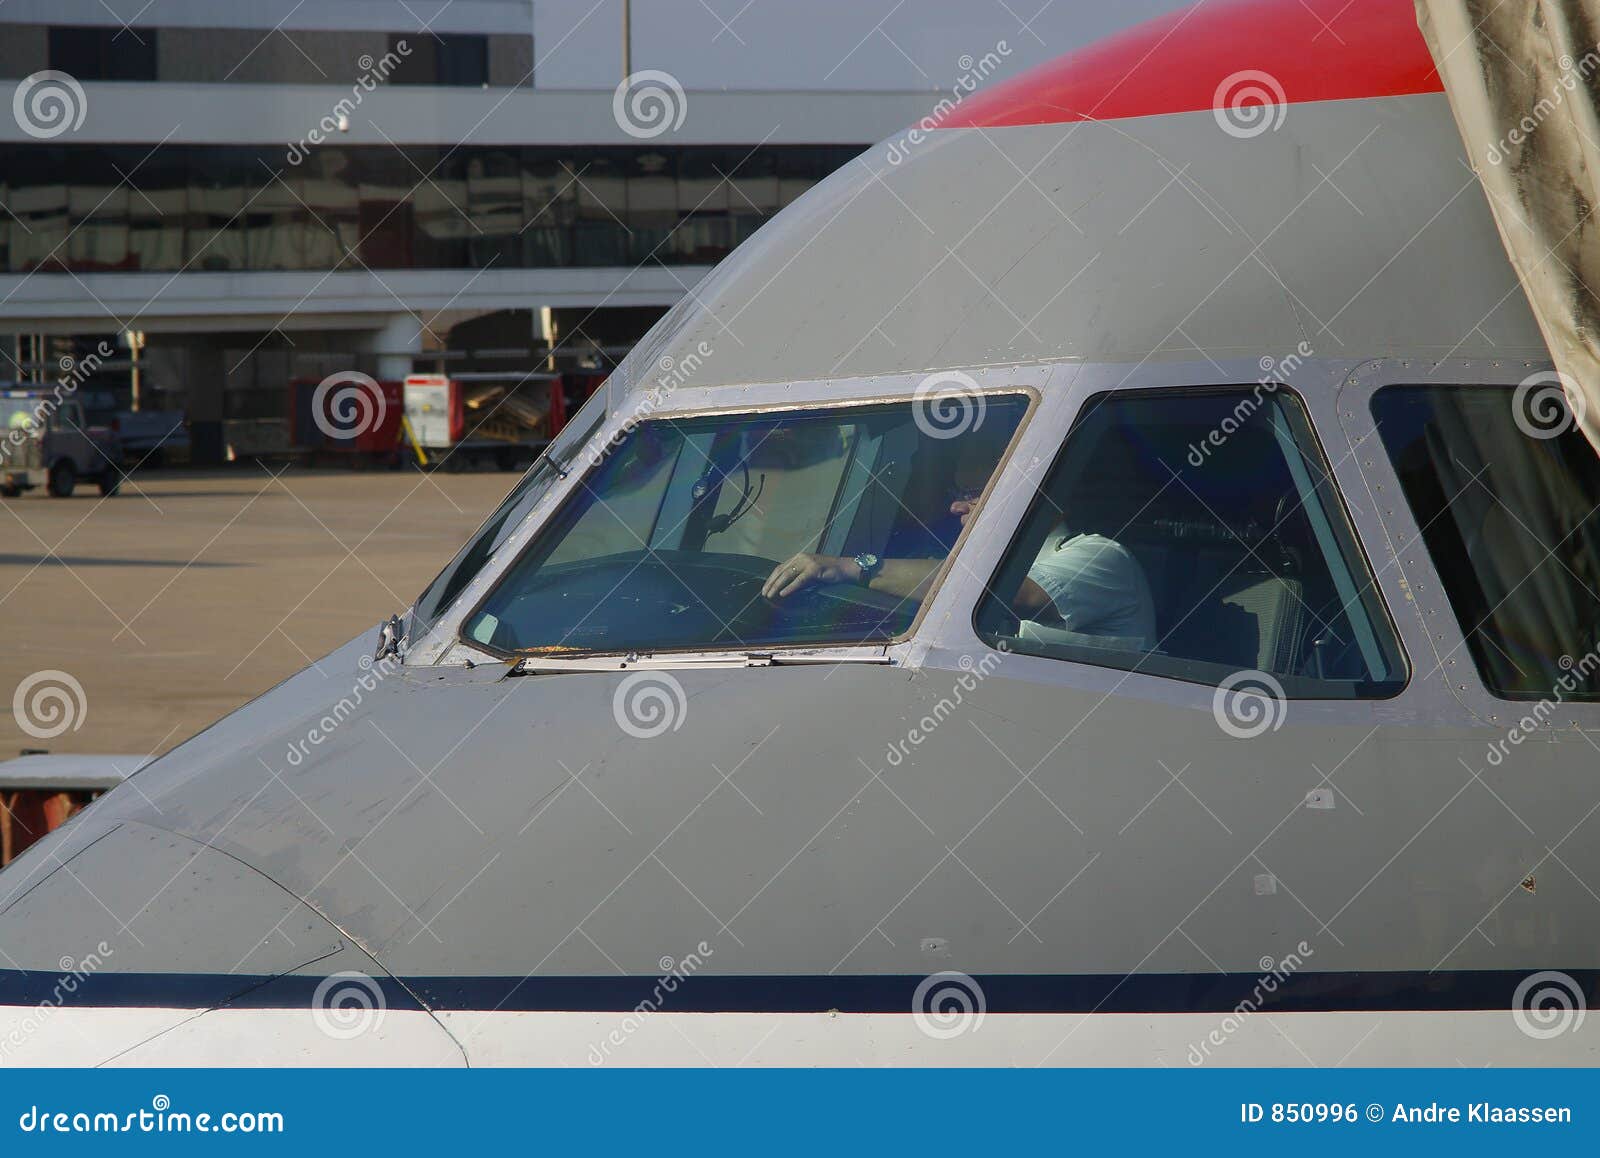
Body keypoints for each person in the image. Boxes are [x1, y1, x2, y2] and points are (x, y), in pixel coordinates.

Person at [762, 498, 1156, 650]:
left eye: (984, 490)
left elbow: (1015, 595)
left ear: (1052, 504)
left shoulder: (1099, 555)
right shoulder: (959, 563)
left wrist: (848, 567)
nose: (956, 506)